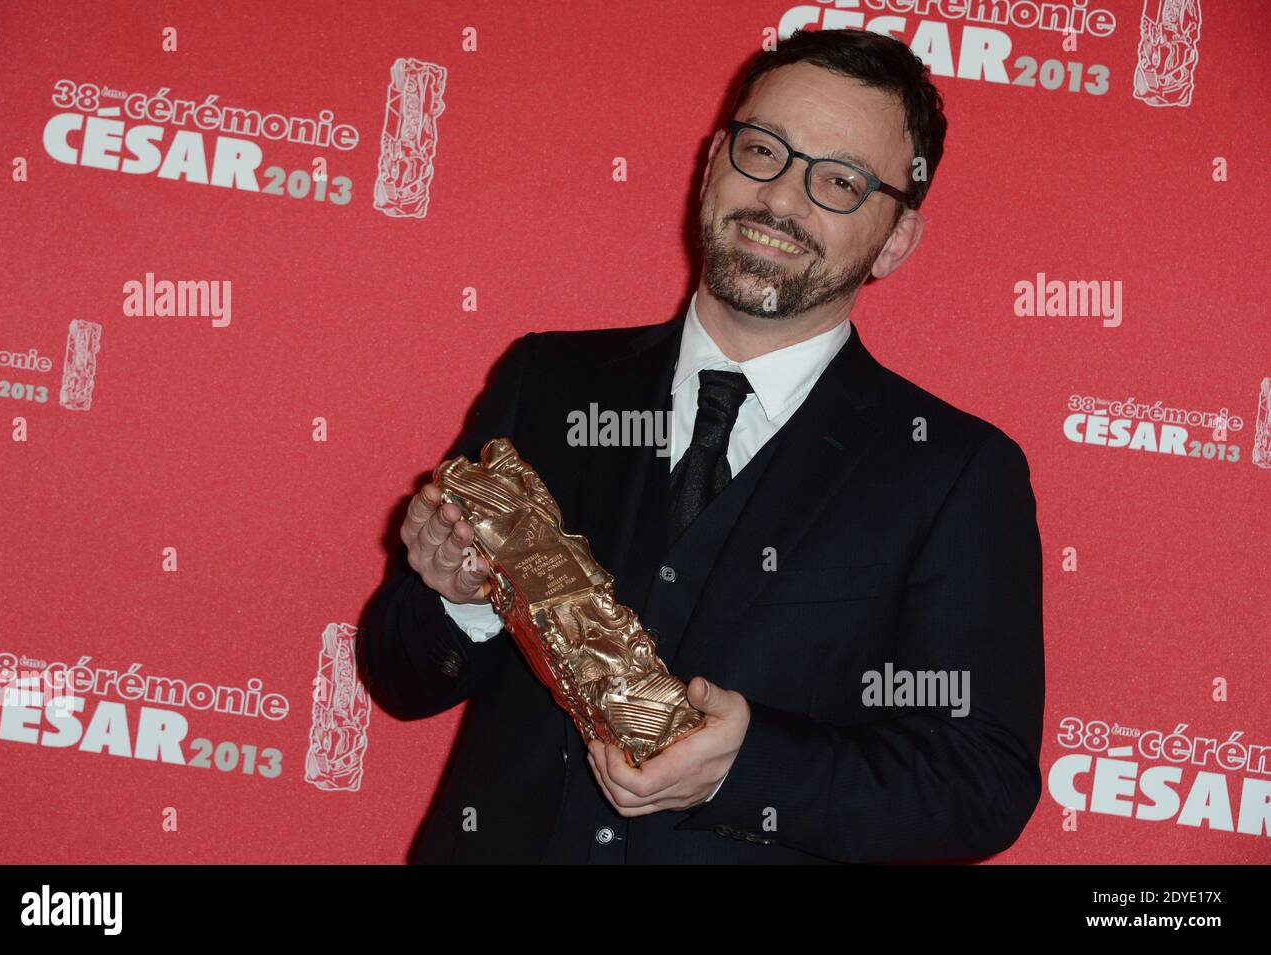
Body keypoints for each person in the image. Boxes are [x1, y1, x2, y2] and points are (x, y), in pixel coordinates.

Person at [360, 27, 1044, 864]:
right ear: (714, 160)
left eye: (839, 181)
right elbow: (398, 674)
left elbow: (979, 783)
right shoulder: (550, 378)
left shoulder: (952, 470)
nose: (783, 201)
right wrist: (462, 595)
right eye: (764, 151)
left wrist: (745, 770)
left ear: (896, 239)